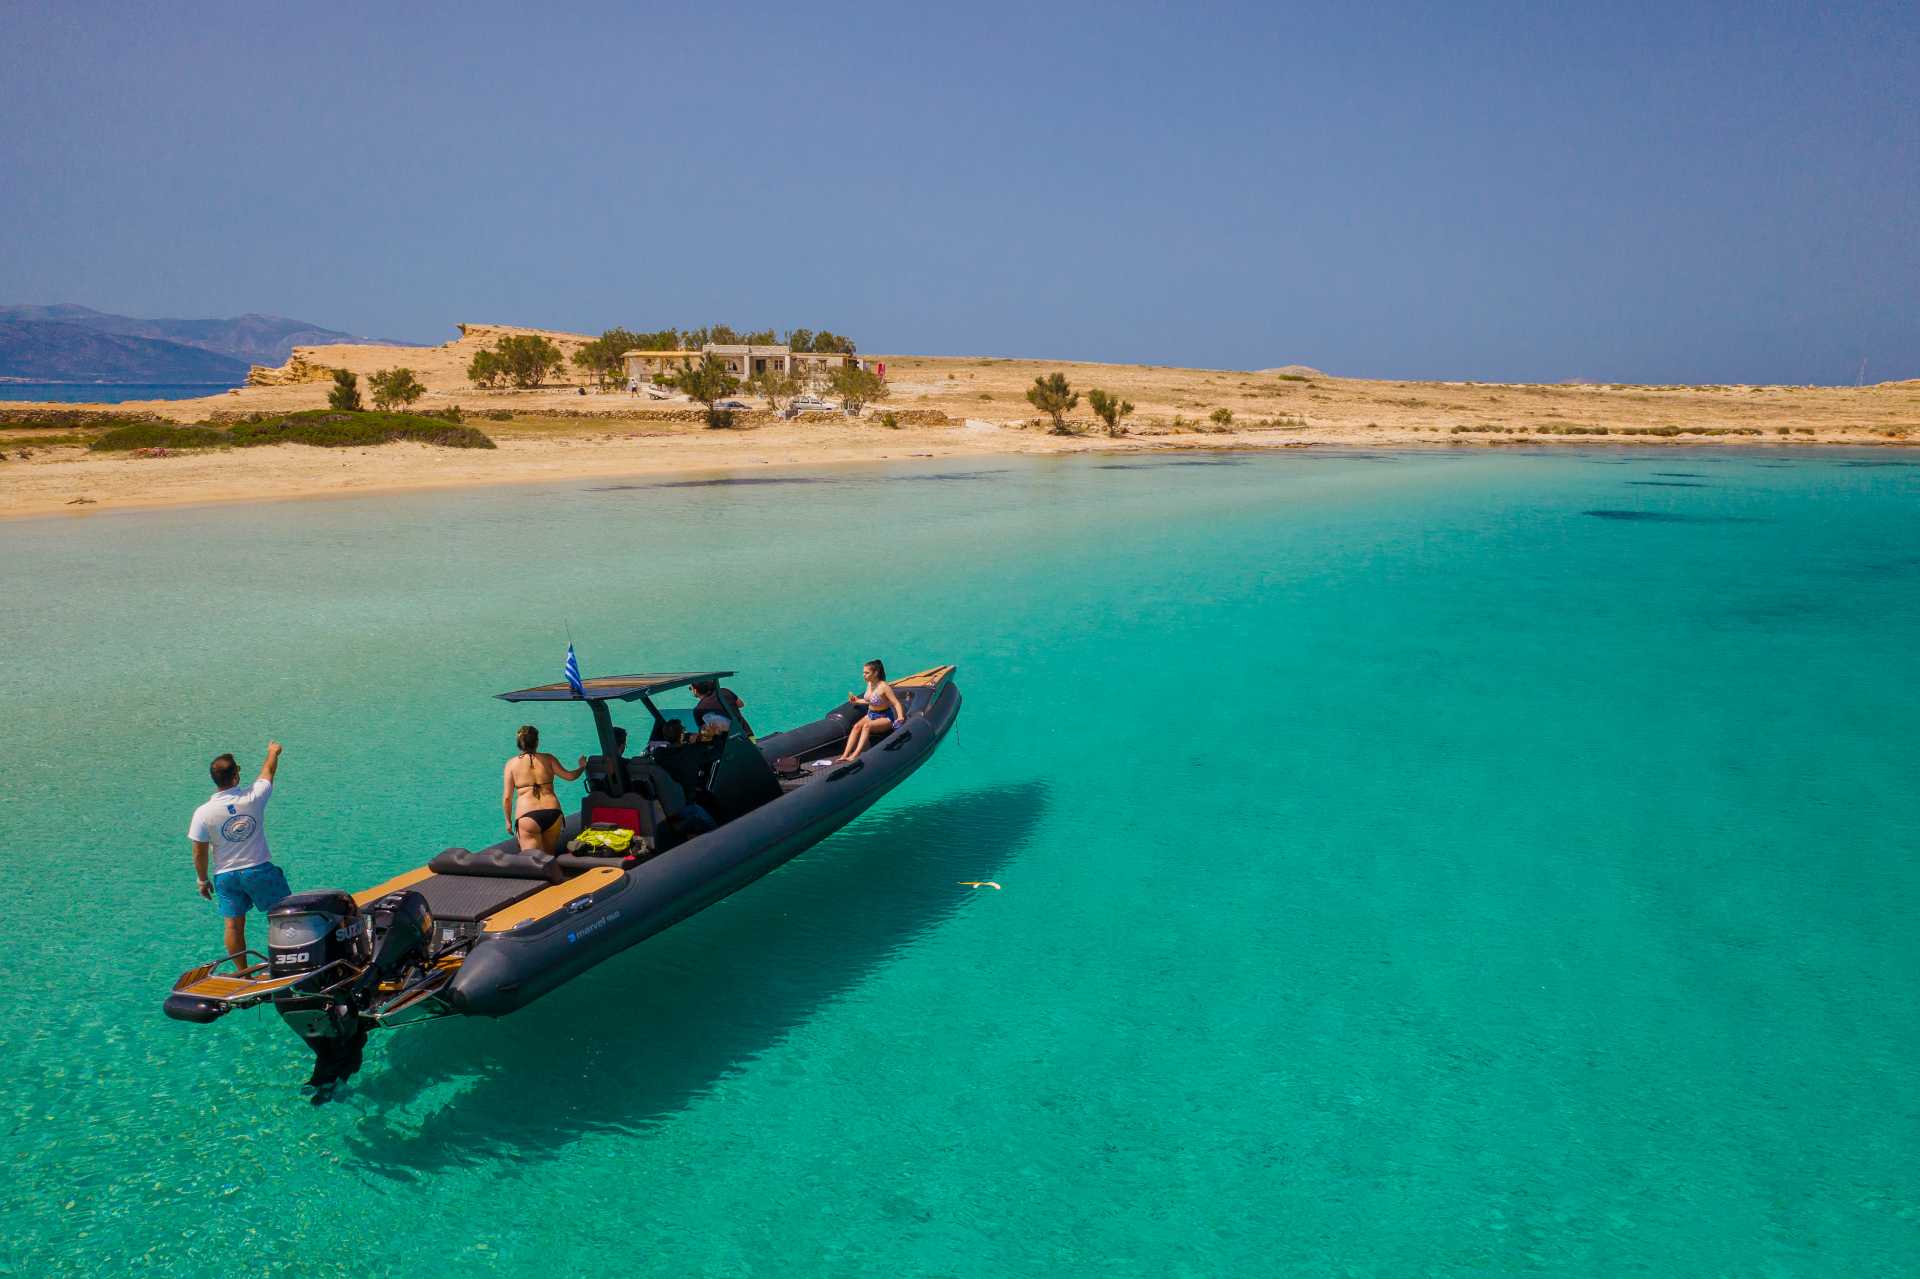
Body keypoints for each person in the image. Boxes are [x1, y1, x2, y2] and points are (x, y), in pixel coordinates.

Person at [187, 741, 289, 959]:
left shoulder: (202, 813)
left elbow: (199, 852)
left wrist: (202, 880)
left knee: (233, 926)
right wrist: (273, 752)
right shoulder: (253, 798)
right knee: (284, 917)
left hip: (226, 876)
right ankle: (284, 961)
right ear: (236, 776)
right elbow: (268, 771)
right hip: (258, 870)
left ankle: (244, 974)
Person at [502, 725, 586, 854]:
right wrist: (581, 767)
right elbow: (570, 776)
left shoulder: (511, 764)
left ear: (519, 743)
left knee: (531, 861)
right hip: (553, 813)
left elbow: (507, 798)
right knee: (549, 858)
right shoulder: (548, 759)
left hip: (528, 816)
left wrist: (508, 821)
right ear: (537, 742)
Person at [836, 659, 905, 761]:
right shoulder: (869, 683)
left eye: (867, 673)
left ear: (875, 673)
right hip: (871, 714)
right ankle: (844, 755)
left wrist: (900, 717)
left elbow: (896, 703)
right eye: (863, 672)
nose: (864, 675)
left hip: (885, 717)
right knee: (856, 727)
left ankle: (855, 755)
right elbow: (871, 701)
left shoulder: (884, 687)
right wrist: (857, 701)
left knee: (866, 726)